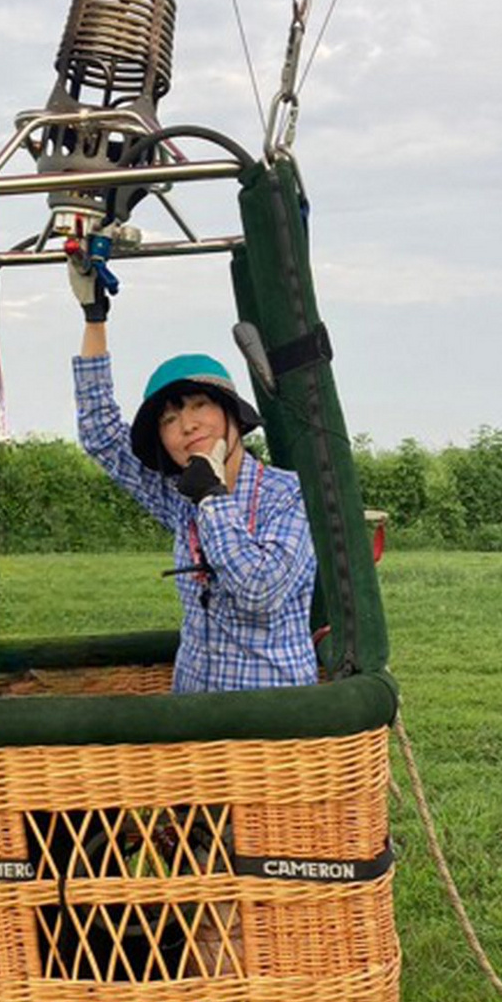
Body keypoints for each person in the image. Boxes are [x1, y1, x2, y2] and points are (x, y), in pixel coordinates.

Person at [69, 251, 318, 692]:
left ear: (232, 416)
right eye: (169, 419)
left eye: (199, 405)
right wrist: (94, 318)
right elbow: (102, 435)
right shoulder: (177, 497)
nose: (187, 424)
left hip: (273, 725)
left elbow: (260, 591)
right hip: (194, 718)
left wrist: (212, 499)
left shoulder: (290, 495)